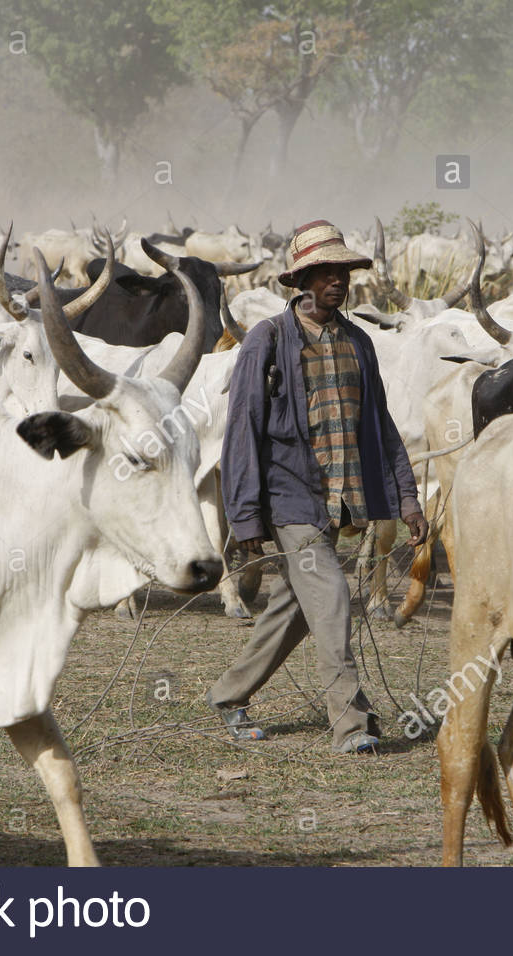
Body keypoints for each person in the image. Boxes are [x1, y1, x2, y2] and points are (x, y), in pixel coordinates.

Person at [207, 220, 429, 754]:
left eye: (343, 272)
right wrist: (244, 516)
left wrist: (407, 498)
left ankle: (229, 694)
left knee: (294, 609)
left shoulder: (359, 343)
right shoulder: (267, 340)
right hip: (290, 498)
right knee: (331, 596)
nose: (337, 281)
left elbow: (381, 425)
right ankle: (351, 725)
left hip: (340, 500)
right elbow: (242, 430)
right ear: (301, 280)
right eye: (325, 272)